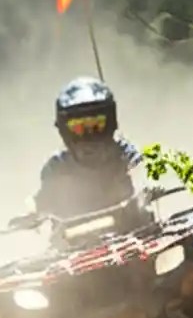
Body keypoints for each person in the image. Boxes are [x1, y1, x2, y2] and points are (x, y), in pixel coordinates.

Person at [30, 76, 149, 220]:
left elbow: (141, 173)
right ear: (64, 129)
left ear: (110, 122)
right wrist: (32, 215)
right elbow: (40, 204)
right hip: (72, 239)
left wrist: (147, 189)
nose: (88, 136)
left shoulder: (124, 154)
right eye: (79, 127)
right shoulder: (56, 168)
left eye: (96, 125)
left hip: (134, 229)